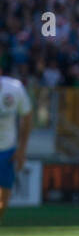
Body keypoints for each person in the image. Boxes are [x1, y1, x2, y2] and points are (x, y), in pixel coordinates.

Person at [0, 69, 32, 225]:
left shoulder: (15, 89)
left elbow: (27, 118)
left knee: (2, 202)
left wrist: (21, 150)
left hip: (6, 151)